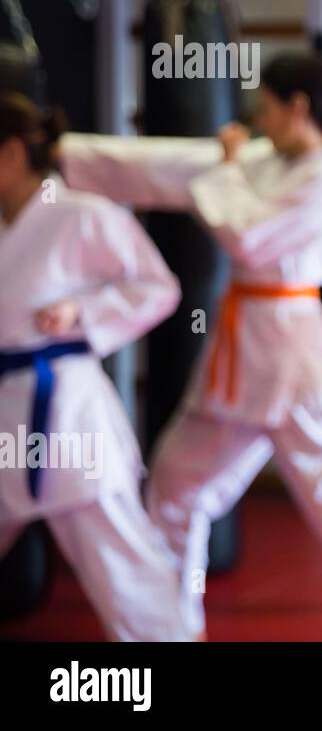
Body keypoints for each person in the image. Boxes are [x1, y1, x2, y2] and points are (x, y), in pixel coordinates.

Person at [57, 53, 322, 642]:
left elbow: (249, 236)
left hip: (291, 356)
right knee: (178, 487)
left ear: (298, 108)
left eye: (266, 107)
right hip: (241, 356)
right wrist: (64, 155)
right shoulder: (269, 160)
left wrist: (229, 167)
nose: (259, 120)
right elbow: (171, 168)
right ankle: (170, 628)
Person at [0, 90, 189, 641]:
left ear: (11, 154)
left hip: (64, 410)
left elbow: (159, 288)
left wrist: (83, 311)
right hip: (6, 408)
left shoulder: (84, 214)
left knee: (121, 562)